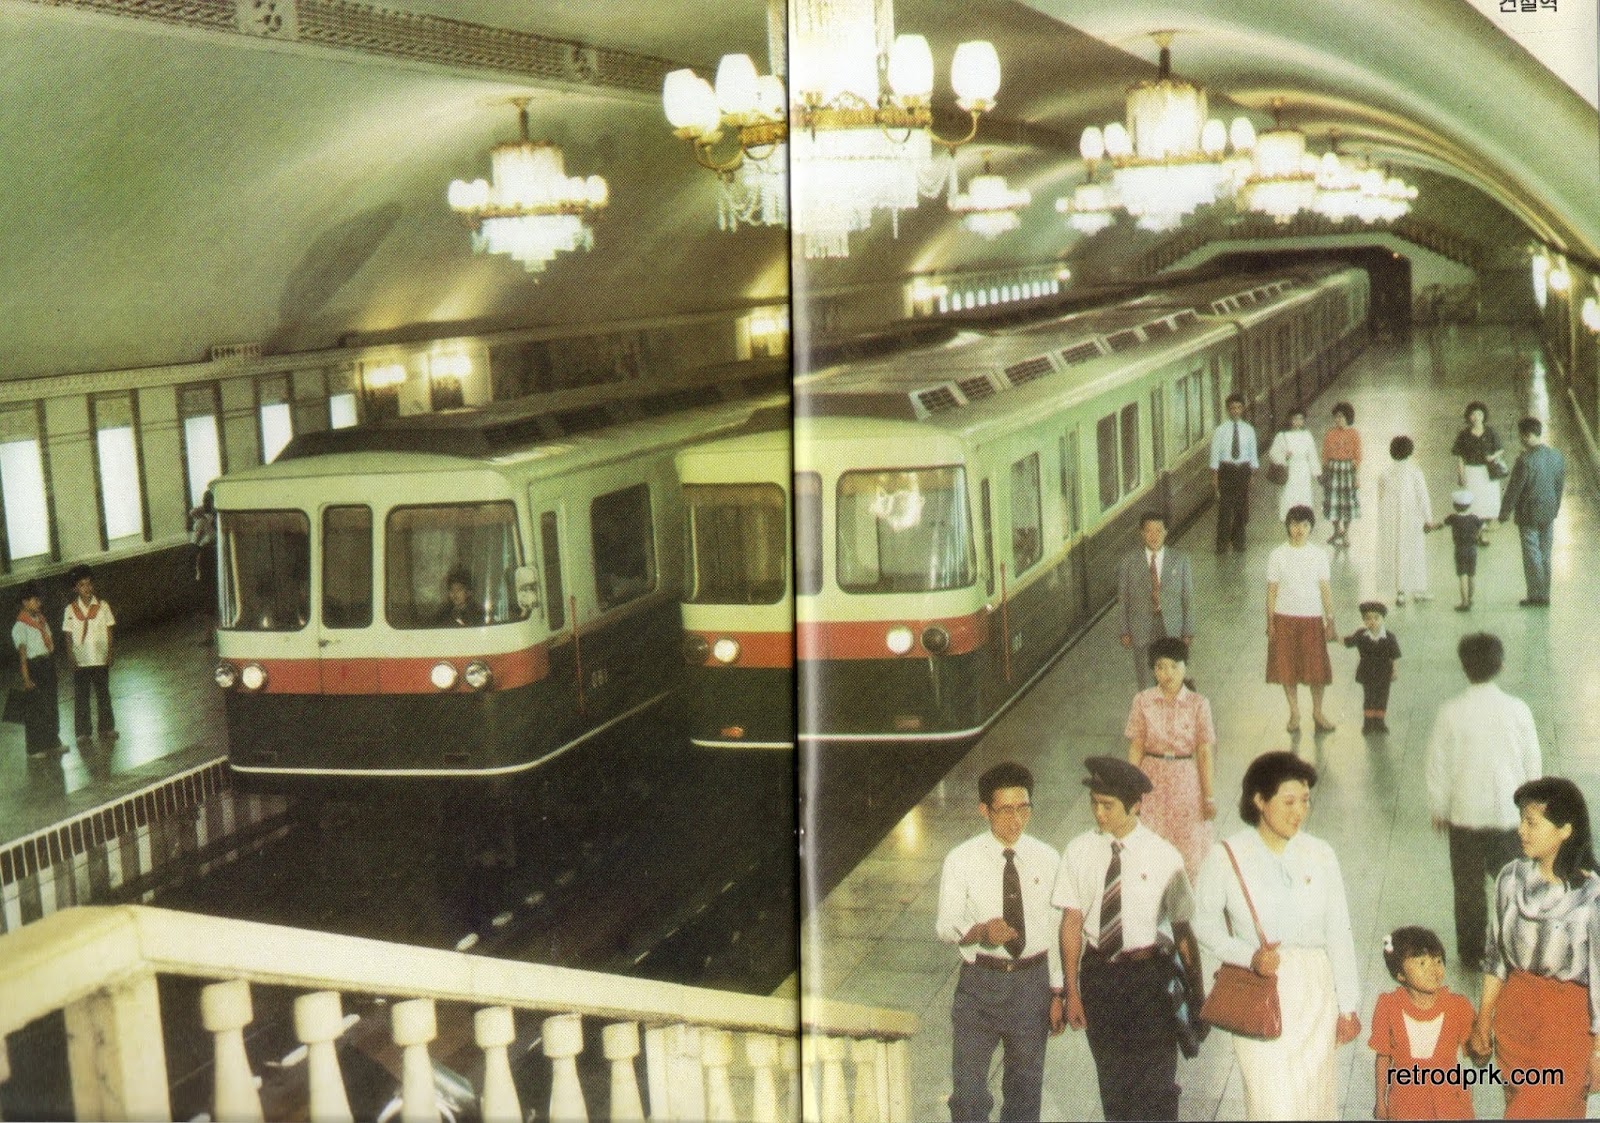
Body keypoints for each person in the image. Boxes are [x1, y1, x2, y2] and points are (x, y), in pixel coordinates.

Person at [1194, 752, 1362, 1120]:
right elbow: (1202, 925)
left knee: (1315, 1105)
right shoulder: (1226, 856)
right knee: (1273, 1108)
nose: (1298, 812)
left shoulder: (1321, 854)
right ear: (1259, 800)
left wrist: (1348, 1005)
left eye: (1304, 801)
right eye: (1287, 802)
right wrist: (1247, 955)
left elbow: (1339, 931)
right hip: (1261, 990)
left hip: (1315, 991)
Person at [1055, 756, 1202, 1122]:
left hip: (1148, 979)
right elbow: (1071, 923)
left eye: (1108, 806)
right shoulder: (1078, 851)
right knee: (1114, 1086)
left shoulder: (1165, 856)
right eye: (1095, 804)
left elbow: (1184, 932)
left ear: (1135, 805)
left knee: (1157, 1087)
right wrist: (1072, 991)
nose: (1099, 814)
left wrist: (1199, 998)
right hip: (1099, 979)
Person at [935, 761, 1064, 1121]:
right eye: (1005, 809)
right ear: (984, 810)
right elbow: (946, 925)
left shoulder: (1048, 859)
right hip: (980, 986)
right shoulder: (961, 860)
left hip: (1031, 984)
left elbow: (1058, 931)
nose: (1015, 820)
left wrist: (1059, 993)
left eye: (1023, 808)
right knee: (968, 1096)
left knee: (1025, 1096)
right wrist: (980, 932)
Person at [1471, 778, 1600, 1118]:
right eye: (1521, 820)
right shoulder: (1509, 879)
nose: (1521, 830)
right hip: (1515, 1022)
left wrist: (1599, 1051)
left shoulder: (1592, 896)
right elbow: (1496, 957)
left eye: (1532, 822)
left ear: (1565, 830)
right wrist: (1483, 1019)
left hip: (1567, 1025)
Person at [1424, 632, 1540, 972]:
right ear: (1501, 665)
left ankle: (1472, 951)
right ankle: (1515, 943)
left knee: (1468, 886)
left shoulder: (1450, 712)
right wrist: (1532, 805)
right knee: (1514, 880)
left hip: (1465, 815)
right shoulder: (1517, 709)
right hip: (1508, 814)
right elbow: (1532, 759)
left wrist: (1439, 807)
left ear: (1463, 668)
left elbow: (1437, 765)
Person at [1125, 636, 1216, 877]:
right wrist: (1130, 789)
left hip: (1185, 779)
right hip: (1150, 778)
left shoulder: (1199, 704)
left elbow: (1204, 753)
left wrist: (1208, 797)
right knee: (1150, 841)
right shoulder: (1142, 701)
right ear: (1153, 670)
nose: (1167, 673)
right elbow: (1137, 746)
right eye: (1160, 667)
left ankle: (1186, 906)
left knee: (1187, 845)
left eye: (1174, 666)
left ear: (1185, 667)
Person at [1368, 926, 1474, 1120]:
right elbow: (1383, 1057)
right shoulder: (1388, 1006)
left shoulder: (1458, 1006)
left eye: (1438, 961)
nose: (1434, 969)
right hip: (1405, 1104)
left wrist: (1483, 1043)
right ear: (1400, 974)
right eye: (1422, 963)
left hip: (1450, 1103)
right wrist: (1380, 1101)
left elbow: (1477, 1054)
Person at [1266, 505, 1337, 734]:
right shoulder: (1277, 555)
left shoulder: (1318, 555)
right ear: (1287, 526)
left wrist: (1330, 618)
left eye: (1305, 525)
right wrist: (1270, 622)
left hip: (1311, 617)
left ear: (1311, 528)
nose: (1299, 530)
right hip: (1284, 617)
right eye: (1295, 524)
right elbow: (1272, 591)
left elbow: (1325, 588)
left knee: (1316, 669)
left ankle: (1318, 712)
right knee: (1287, 667)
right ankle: (1294, 712)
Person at [1116, 512, 1194, 690]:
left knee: (1172, 678)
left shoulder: (1180, 560)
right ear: (1142, 533)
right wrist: (1124, 630)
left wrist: (1188, 631)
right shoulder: (1128, 562)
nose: (1154, 536)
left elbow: (1187, 598)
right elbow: (1123, 600)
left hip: (1171, 627)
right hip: (1141, 627)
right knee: (1145, 679)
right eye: (1149, 531)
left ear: (1166, 532)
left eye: (1159, 531)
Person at [1498, 415, 1565, 606]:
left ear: (1526, 436)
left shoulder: (1524, 460)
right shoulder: (1556, 456)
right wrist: (1555, 508)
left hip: (1529, 514)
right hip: (1549, 512)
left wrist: (1504, 514)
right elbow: (1559, 485)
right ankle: (1545, 594)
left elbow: (1514, 490)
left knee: (1532, 554)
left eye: (1521, 436)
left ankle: (1535, 596)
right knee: (1545, 553)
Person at [1374, 436, 1434, 606]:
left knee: (1395, 551)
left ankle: (1399, 592)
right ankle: (1417, 590)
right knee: (1413, 552)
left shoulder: (1385, 473)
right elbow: (1423, 497)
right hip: (1411, 517)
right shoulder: (1415, 472)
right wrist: (1428, 519)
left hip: (1390, 518)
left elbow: (1380, 498)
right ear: (1410, 452)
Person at [62, 565, 115, 745]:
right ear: (75, 588)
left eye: (89, 584)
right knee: (82, 696)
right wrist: (71, 656)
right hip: (81, 659)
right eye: (82, 585)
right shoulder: (70, 609)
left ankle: (106, 728)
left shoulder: (103, 606)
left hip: (100, 657)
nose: (87, 588)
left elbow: (109, 630)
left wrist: (109, 652)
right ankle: (83, 732)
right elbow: (68, 635)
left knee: (103, 694)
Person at [13, 582, 63, 757]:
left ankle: (52, 742)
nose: (39, 604)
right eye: (35, 600)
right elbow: (22, 655)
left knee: (51, 704)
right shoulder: (21, 626)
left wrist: (53, 668)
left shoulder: (41, 620)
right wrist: (26, 678)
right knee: (35, 708)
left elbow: (49, 645)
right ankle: (35, 748)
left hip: (47, 664)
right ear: (25, 602)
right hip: (33, 667)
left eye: (39, 600)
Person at [1210, 393, 1259, 553]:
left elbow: (1253, 453)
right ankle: (1222, 544)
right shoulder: (1220, 430)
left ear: (1243, 409)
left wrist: (1252, 475)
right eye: (1232, 408)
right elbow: (1215, 454)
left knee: (1241, 509)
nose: (1236, 411)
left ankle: (1239, 542)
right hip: (1226, 471)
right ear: (1227, 410)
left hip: (1243, 470)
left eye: (1239, 408)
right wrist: (1215, 477)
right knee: (1225, 509)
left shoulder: (1249, 430)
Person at [1342, 600, 1399, 735]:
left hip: (1384, 672)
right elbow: (1348, 642)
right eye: (1368, 619)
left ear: (1382, 619)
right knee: (1369, 696)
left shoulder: (1389, 637)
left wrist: (1395, 671)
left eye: (1376, 618)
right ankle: (1368, 723)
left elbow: (1395, 655)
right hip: (1367, 672)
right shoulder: (1361, 635)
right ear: (1363, 620)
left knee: (1382, 696)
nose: (1372, 621)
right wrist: (1334, 637)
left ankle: (1379, 722)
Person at [1450, 401, 1502, 546]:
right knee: (1474, 505)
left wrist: (1493, 457)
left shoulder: (1490, 432)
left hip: (1487, 473)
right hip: (1471, 472)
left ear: (1484, 415)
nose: (1476, 417)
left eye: (1479, 414)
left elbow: (1500, 449)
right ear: (1469, 417)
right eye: (1473, 414)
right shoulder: (1464, 435)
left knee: (1486, 505)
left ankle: (1482, 534)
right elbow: (1460, 456)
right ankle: (1476, 533)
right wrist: (1461, 474)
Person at [1425, 489, 1482, 611]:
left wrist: (1430, 527)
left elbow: (1440, 525)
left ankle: (1464, 602)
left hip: (1460, 549)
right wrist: (1477, 537)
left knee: (1462, 575)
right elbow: (1481, 528)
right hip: (1473, 549)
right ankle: (1471, 599)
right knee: (1472, 575)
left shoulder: (1453, 518)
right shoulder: (1474, 518)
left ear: (1455, 506)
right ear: (1469, 505)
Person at [1267, 407, 1320, 523]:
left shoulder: (1307, 435)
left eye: (1301, 419)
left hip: (1303, 470)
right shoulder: (1282, 436)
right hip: (1289, 469)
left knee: (1303, 495)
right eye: (1295, 418)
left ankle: (1303, 519)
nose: (1298, 421)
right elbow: (1273, 454)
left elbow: (1312, 455)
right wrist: (1284, 456)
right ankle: (1289, 519)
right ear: (1290, 419)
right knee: (1288, 495)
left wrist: (1317, 473)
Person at [1320, 402, 1361, 547]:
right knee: (1333, 503)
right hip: (1333, 471)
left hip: (1348, 471)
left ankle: (1346, 533)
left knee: (1347, 504)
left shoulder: (1354, 434)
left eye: (1341, 417)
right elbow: (1325, 454)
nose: (1338, 420)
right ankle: (1337, 530)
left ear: (1348, 418)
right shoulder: (1330, 434)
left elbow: (1358, 456)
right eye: (1336, 417)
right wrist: (1324, 471)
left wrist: (1356, 476)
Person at [188, 489, 217, 583]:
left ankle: (198, 570)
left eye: (207, 501)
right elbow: (192, 512)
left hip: (213, 539)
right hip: (204, 538)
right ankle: (195, 547)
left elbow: (216, 528)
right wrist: (203, 515)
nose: (204, 503)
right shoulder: (204, 511)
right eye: (204, 501)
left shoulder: (215, 512)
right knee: (200, 523)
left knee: (201, 524)